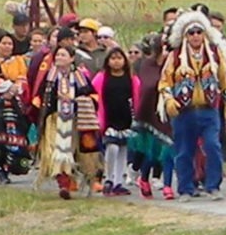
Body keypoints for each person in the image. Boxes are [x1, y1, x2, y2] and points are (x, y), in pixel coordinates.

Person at [160, 10, 226, 200]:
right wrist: (169, 100)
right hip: (184, 112)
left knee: (213, 146)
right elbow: (164, 82)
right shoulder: (175, 57)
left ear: (205, 33)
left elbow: (224, 80)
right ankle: (186, 188)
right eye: (191, 33)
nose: (196, 36)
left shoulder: (214, 55)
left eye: (199, 32)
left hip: (209, 110)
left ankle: (213, 185)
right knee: (184, 151)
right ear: (185, 36)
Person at [35, 45, 100, 199]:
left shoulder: (80, 77)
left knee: (74, 153)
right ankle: (63, 184)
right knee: (54, 152)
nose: (59, 58)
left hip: (75, 121)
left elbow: (93, 98)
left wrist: (74, 101)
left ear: (72, 58)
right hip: (54, 120)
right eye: (57, 55)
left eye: (63, 55)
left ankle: (76, 180)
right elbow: (39, 97)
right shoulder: (50, 77)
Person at [0, 33, 33, 183]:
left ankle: (6, 169)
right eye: (4, 43)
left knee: (11, 138)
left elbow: (23, 79)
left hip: (12, 105)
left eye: (10, 44)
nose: (7, 46)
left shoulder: (19, 61)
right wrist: (8, 87)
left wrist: (15, 89)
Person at [94, 47, 142, 196]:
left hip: (126, 118)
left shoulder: (131, 78)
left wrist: (137, 117)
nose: (116, 61)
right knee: (112, 147)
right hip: (109, 118)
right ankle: (109, 178)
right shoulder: (102, 78)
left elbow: (137, 97)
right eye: (113, 58)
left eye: (119, 58)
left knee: (123, 150)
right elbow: (94, 95)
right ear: (108, 61)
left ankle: (118, 182)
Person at [132, 35, 174, 199]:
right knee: (152, 151)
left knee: (169, 148)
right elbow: (148, 87)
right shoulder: (146, 65)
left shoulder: (173, 65)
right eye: (164, 48)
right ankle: (144, 178)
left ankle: (168, 185)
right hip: (149, 113)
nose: (167, 53)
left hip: (169, 111)